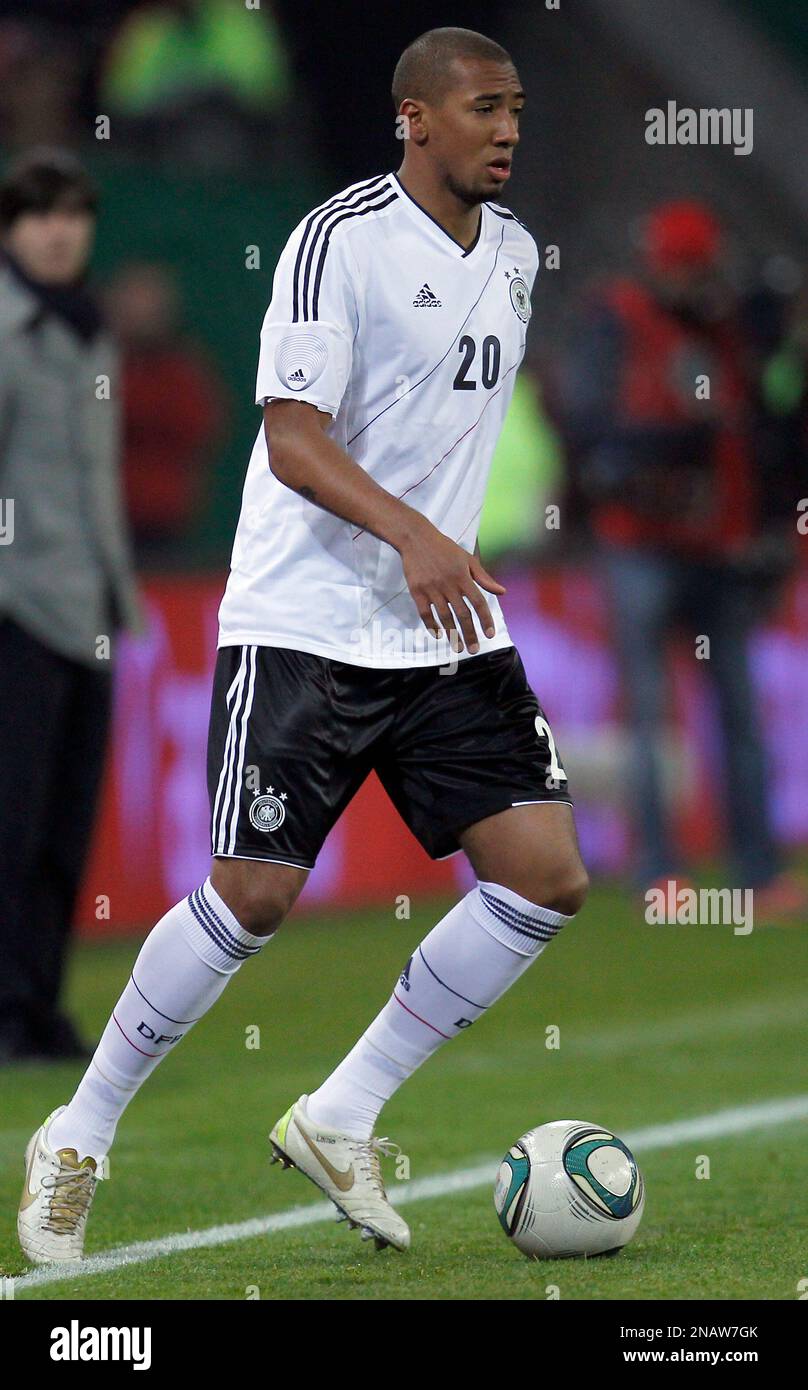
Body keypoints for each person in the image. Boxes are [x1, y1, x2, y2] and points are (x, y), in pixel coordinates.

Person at [18, 28, 588, 1263]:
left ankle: (343, 1109)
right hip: (309, 619)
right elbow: (292, 437)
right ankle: (78, 1132)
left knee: (543, 876)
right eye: (485, 108)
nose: (508, 129)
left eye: (519, 109)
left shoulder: (517, 255)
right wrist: (413, 538)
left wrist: (442, 556)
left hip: (443, 629)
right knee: (255, 895)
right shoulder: (339, 239)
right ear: (413, 119)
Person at [562, 201, 806, 915]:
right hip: (640, 540)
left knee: (737, 712)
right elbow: (587, 418)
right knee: (648, 712)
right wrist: (648, 454)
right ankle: (662, 871)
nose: (690, 282)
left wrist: (765, 523)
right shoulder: (618, 318)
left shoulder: (731, 327)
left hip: (717, 544)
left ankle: (757, 870)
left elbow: (764, 421)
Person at [0, 149, 141, 1065]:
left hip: (90, 604)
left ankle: (38, 1001)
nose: (59, 231)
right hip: (16, 607)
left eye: (74, 214)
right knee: (9, 823)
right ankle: (7, 1008)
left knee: (62, 822)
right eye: (38, 213)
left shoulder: (90, 330)